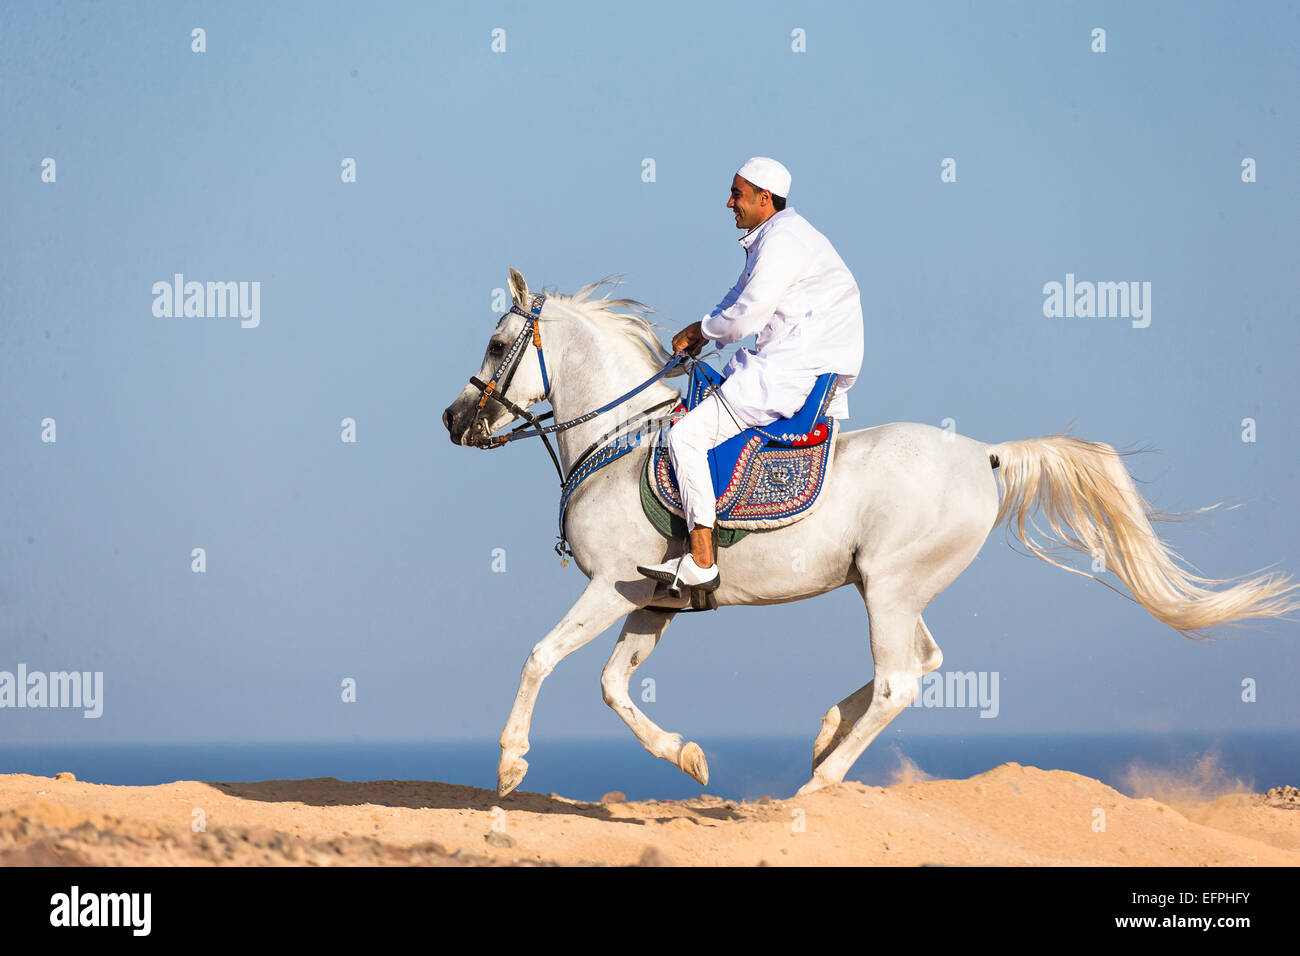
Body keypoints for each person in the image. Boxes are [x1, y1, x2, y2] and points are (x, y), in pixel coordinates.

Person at [637, 157, 865, 591]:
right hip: (794, 364)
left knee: (684, 437)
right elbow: (737, 297)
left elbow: (747, 315)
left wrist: (702, 330)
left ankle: (702, 560)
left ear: (764, 198)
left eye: (736, 194)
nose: (729, 203)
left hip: (790, 371)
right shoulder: (776, 237)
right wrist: (705, 330)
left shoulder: (783, 241)